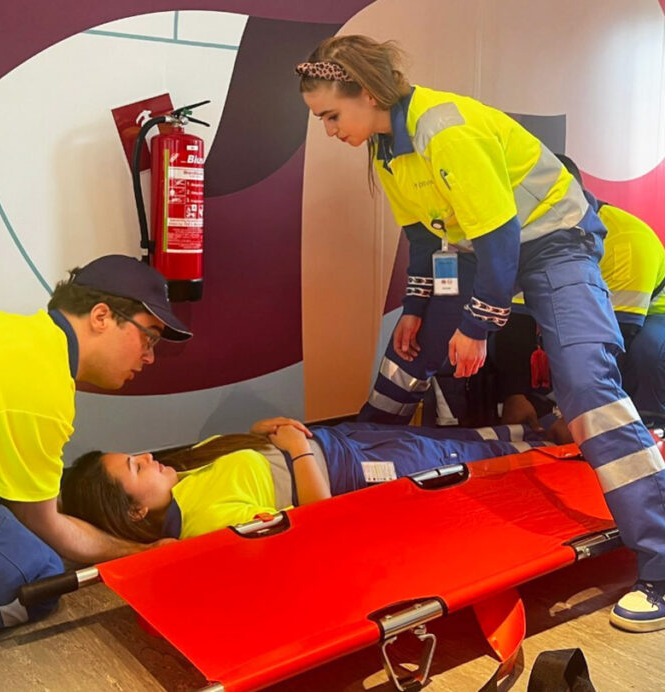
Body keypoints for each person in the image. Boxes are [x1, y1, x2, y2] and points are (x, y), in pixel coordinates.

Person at [295, 35, 665, 632]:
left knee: (584, 383)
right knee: (409, 348)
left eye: (332, 115)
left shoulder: (446, 128)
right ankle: (355, 461)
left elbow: (502, 242)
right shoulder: (389, 148)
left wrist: (476, 326)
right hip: (474, 255)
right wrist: (418, 309)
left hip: (554, 245)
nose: (331, 131)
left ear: (366, 92)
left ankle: (662, 564)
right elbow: (424, 239)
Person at [0, 254, 192, 663]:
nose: (149, 357)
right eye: (149, 338)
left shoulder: (22, 335)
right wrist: (139, 553)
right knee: (36, 575)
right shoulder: (42, 383)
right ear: (102, 317)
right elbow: (40, 520)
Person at [61, 417, 550, 541]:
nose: (148, 456)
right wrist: (296, 451)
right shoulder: (206, 523)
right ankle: (555, 455)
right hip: (343, 472)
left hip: (331, 442)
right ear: (134, 511)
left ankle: (536, 431)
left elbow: (240, 459)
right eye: (136, 467)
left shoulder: (181, 474)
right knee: (448, 458)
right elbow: (319, 525)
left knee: (434, 439)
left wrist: (261, 432)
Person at [496, 154, 665, 440]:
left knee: (648, 351)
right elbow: (517, 323)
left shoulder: (627, 240)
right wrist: (515, 394)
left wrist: (585, 416)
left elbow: (614, 341)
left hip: (650, 316)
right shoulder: (528, 235)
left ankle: (649, 425)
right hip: (588, 311)